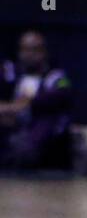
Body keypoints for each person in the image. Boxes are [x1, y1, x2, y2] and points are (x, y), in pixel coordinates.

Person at [0, 31, 73, 170]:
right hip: (12, 125)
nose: (29, 54)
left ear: (44, 51)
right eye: (24, 49)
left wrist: (26, 104)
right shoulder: (12, 73)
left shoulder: (56, 76)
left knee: (26, 147)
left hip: (42, 128)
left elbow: (60, 95)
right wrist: (9, 109)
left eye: (34, 49)